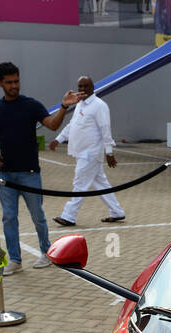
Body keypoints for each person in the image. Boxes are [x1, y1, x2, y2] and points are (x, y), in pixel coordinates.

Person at [0, 62, 78, 272]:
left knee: (38, 216)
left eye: (17, 81)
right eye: (9, 82)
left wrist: (64, 106)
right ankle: (15, 260)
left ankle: (46, 252)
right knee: (9, 218)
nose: (14, 85)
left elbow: (52, 125)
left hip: (29, 173)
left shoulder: (31, 105)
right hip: (5, 174)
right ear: (0, 83)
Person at [51, 75, 125, 225]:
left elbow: (105, 130)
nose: (83, 89)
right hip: (81, 152)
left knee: (79, 184)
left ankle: (68, 216)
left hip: (90, 154)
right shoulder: (80, 104)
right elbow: (72, 125)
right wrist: (58, 139)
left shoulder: (99, 105)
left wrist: (109, 152)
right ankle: (117, 212)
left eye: (86, 86)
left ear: (93, 87)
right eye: (80, 87)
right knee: (101, 184)